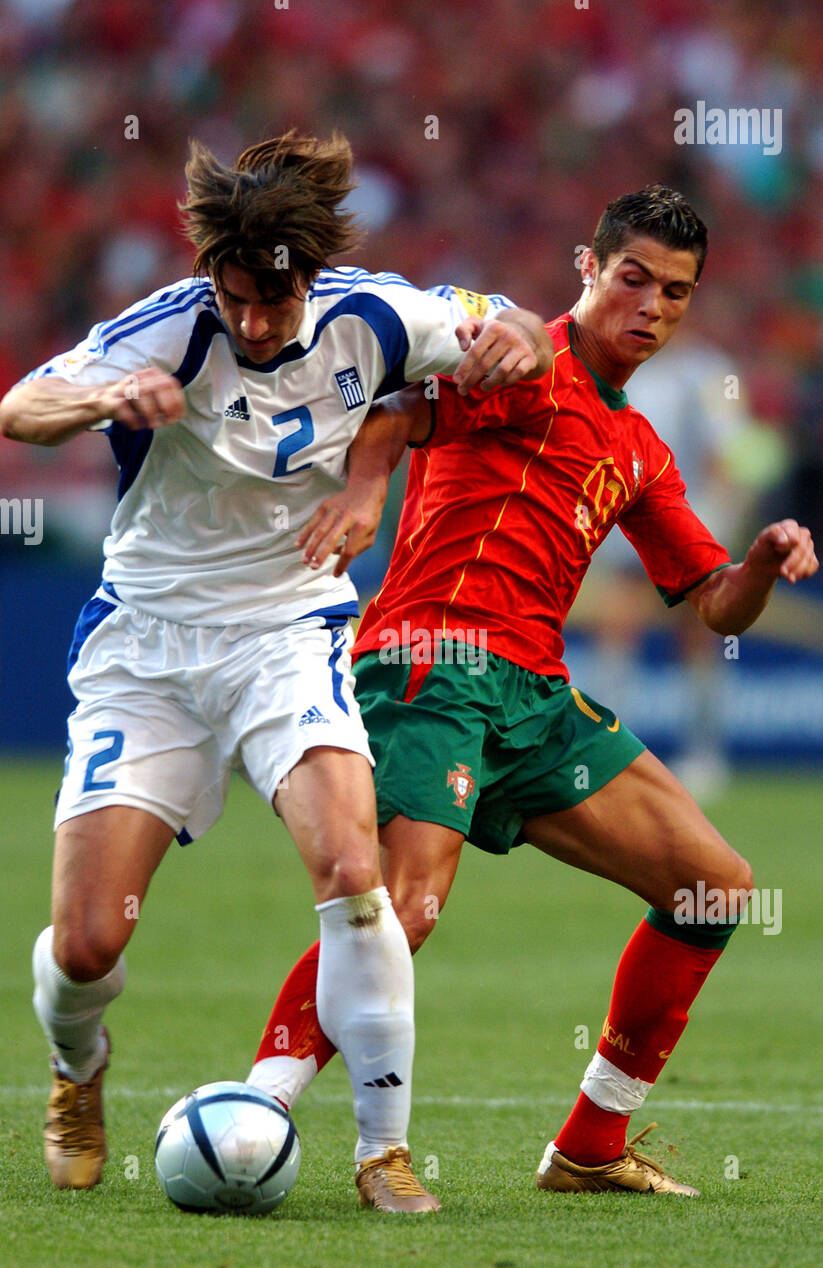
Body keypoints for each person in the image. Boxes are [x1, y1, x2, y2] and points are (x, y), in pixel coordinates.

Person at [0, 130, 552, 1212]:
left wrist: (513, 345)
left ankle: (380, 1150)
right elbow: (19, 408)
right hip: (147, 645)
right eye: (237, 298)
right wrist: (106, 400)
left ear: (310, 274)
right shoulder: (166, 328)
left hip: (286, 632)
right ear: (214, 276)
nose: (254, 322)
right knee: (87, 940)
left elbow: (520, 326)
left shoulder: (378, 314)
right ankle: (77, 1072)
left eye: (274, 301)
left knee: (353, 871)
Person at [247, 185, 818, 1197]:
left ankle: (590, 1144)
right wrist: (368, 488)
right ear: (586, 267)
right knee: (404, 907)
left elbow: (713, 604)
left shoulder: (638, 447)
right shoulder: (526, 360)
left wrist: (765, 562)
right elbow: (395, 411)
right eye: (631, 277)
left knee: (711, 885)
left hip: (534, 693)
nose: (649, 305)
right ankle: (258, 1112)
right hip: (432, 663)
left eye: (674, 293)